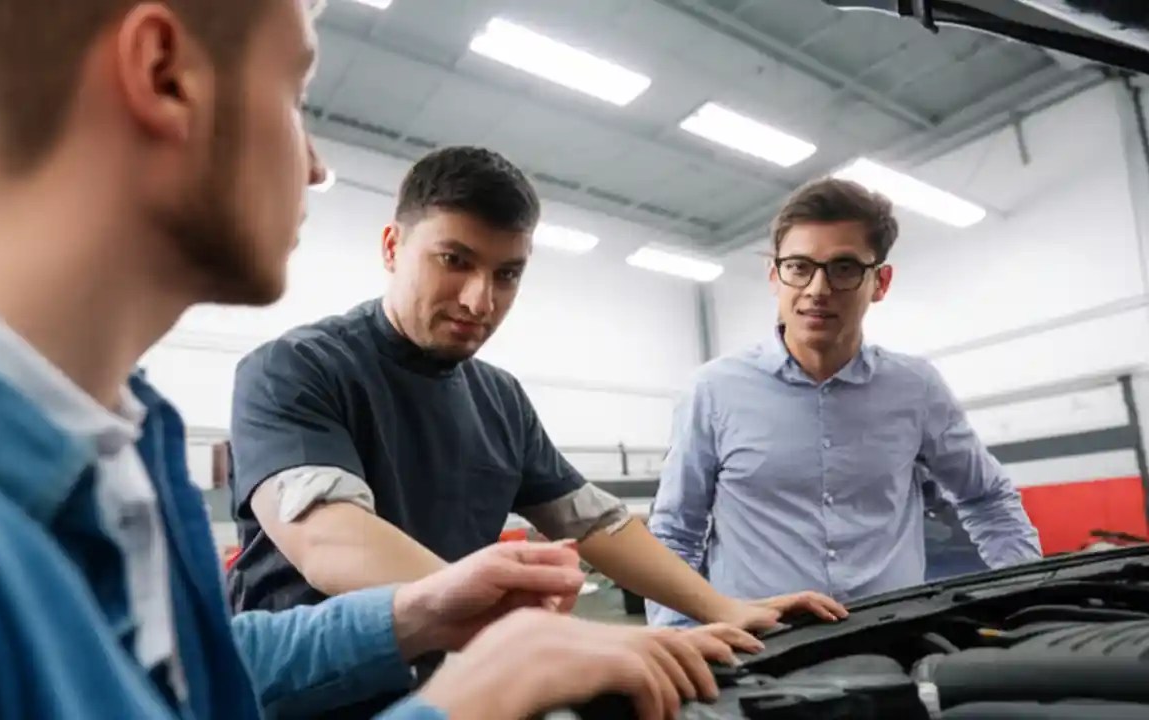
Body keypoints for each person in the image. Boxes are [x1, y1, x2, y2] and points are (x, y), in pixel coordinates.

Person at [0, 1, 752, 718]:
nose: (315, 166)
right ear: (163, 73)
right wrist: (469, 699)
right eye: (295, 91)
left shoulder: (121, 436)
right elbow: (327, 549)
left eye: (507, 273)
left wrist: (422, 611)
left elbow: (201, 674)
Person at [226, 147, 848, 696]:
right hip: (302, 692)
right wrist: (526, 634)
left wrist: (723, 606)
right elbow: (329, 541)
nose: (480, 300)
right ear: (393, 247)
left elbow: (596, 521)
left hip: (453, 685)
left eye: (507, 274)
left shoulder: (498, 397)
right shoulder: (296, 369)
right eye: (453, 260)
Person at [646, 178, 1042, 627]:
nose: (817, 288)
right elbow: (676, 531)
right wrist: (677, 639)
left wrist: (1022, 599)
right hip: (760, 649)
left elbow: (987, 498)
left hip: (896, 637)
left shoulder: (916, 388)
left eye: (844, 268)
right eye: (799, 266)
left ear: (880, 282)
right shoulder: (714, 390)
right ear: (774, 275)